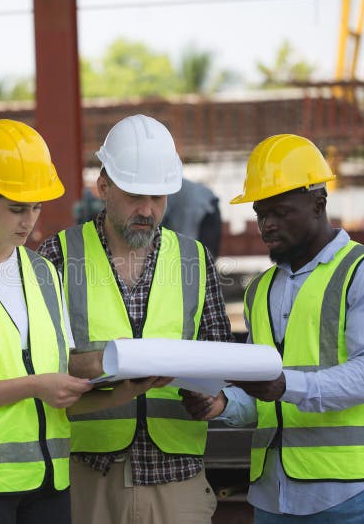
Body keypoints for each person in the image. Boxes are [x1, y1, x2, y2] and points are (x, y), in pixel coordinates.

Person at [0, 119, 154, 524]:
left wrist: (126, 388)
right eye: (17, 209)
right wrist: (34, 385)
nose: (29, 221)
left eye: (36, 207)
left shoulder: (43, 273)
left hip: (48, 489)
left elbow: (56, 391)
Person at [181, 134, 364, 523]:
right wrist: (223, 404)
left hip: (347, 493)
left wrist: (287, 385)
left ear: (319, 203)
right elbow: (267, 395)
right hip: (273, 497)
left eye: (281, 212)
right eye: (260, 214)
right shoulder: (260, 291)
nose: (267, 225)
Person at [37, 114, 234, 524]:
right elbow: (34, 363)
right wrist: (102, 363)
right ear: (103, 187)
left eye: (158, 198)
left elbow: (221, 355)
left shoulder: (194, 259)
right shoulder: (58, 256)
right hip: (87, 474)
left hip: (177, 478)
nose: (147, 210)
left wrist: (213, 395)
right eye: (134, 196)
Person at [161, 177, 222, 257]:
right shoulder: (169, 182)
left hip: (196, 207)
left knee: (187, 247)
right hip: (210, 202)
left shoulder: (163, 188)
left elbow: (162, 215)